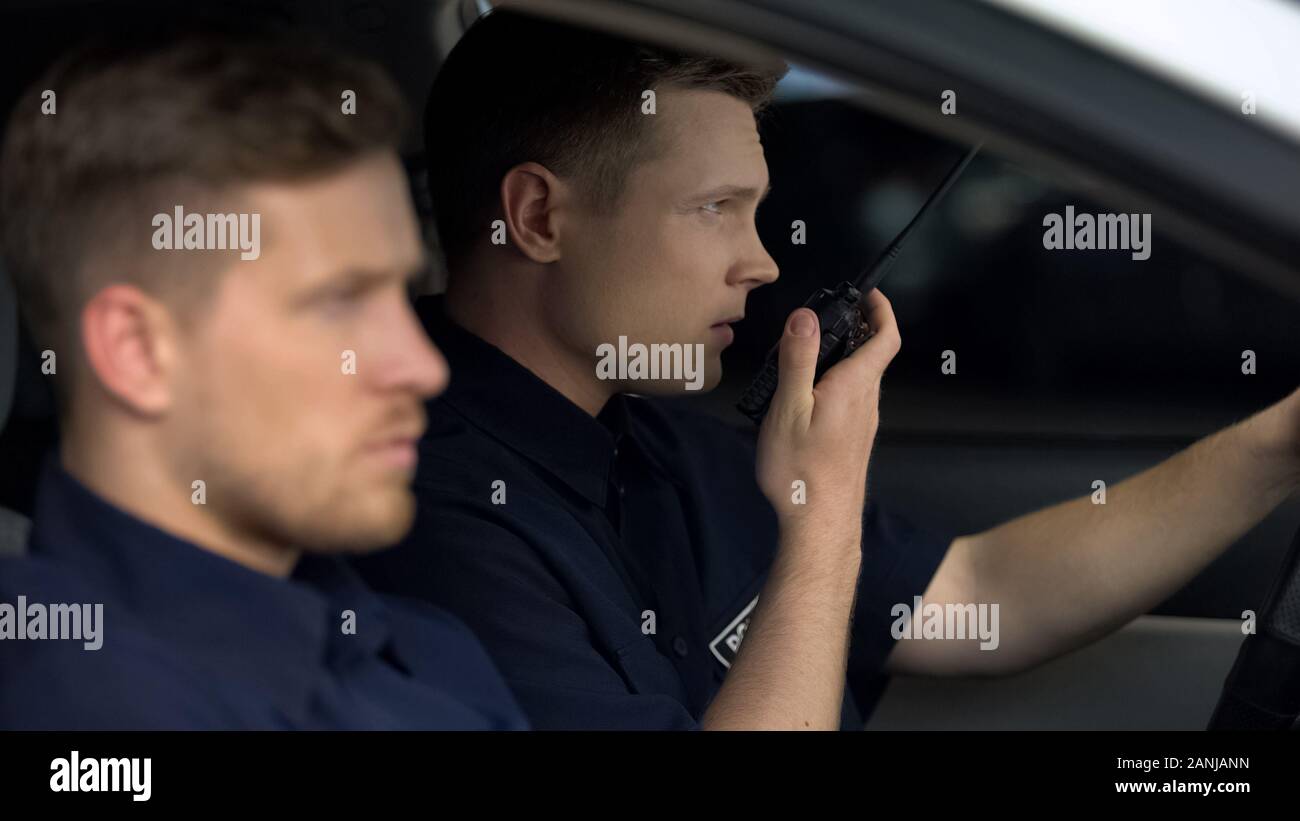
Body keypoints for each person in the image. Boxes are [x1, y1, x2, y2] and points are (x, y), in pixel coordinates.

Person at [355, 9, 1300, 730]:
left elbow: (981, 595)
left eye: (755, 212)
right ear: (538, 218)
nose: (762, 262)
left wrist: (1278, 446)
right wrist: (823, 523)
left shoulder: (661, 443)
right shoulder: (423, 514)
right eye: (714, 208)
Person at [0, 30, 526, 730]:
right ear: (137, 351)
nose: (425, 368)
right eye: (339, 304)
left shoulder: (428, 645)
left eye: (404, 294)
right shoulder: (76, 701)